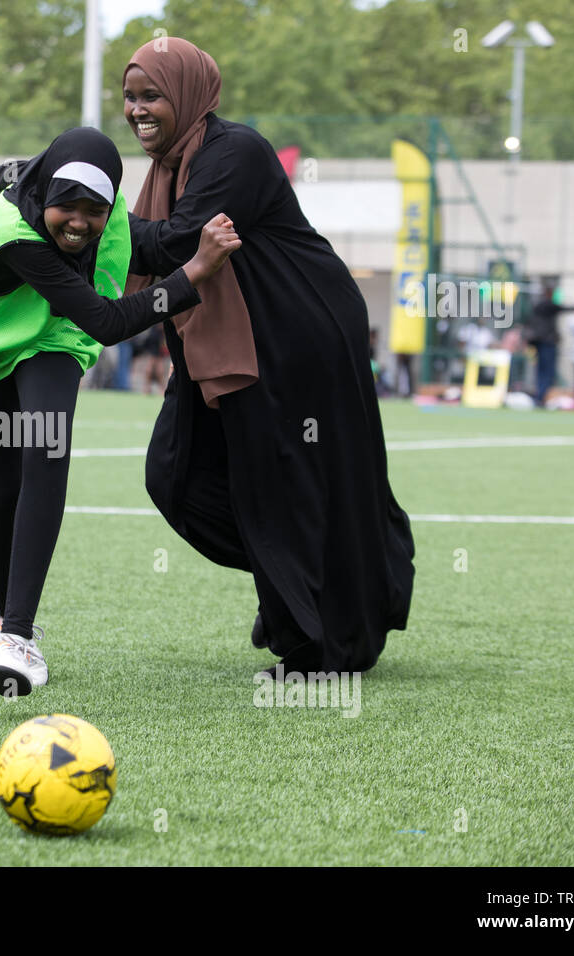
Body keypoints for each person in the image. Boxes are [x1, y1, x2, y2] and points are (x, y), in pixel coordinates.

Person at [115, 38, 414, 675]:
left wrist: (79, 216)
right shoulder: (168, 168)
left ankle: (320, 641)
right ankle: (307, 585)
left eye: (152, 96)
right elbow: (168, 252)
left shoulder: (235, 152)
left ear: (190, 94)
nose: (137, 110)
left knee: (289, 482)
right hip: (223, 344)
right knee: (175, 476)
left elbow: (174, 244)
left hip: (296, 332)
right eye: (130, 97)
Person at [0, 126, 239, 696]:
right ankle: (6, 610)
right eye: (66, 208)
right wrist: (195, 272)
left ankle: (17, 641)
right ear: (43, 193)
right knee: (3, 484)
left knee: (46, 456)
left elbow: (137, 255)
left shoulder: (87, 202)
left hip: (54, 335)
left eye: (94, 210)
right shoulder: (14, 235)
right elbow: (108, 321)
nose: (79, 222)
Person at [526, 284, 574, 407]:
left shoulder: (537, 306)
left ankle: (540, 396)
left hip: (539, 342)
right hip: (547, 342)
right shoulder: (547, 305)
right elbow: (564, 308)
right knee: (547, 371)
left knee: (541, 371)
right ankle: (541, 397)